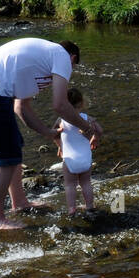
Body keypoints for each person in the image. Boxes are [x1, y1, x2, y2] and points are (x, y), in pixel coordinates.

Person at [0, 38, 101, 231]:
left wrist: (48, 132)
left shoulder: (40, 61)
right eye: (72, 67)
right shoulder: (61, 56)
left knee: (14, 149)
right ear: (73, 58)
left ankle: (19, 202)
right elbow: (60, 105)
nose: (68, 73)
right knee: (5, 159)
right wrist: (87, 128)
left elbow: (21, 107)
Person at [57, 87, 97, 215]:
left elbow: (53, 134)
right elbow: (100, 130)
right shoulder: (87, 118)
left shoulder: (61, 120)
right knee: (86, 183)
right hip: (85, 158)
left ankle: (72, 209)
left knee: (70, 185)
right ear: (81, 103)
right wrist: (95, 138)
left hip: (69, 159)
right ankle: (89, 206)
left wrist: (59, 146)